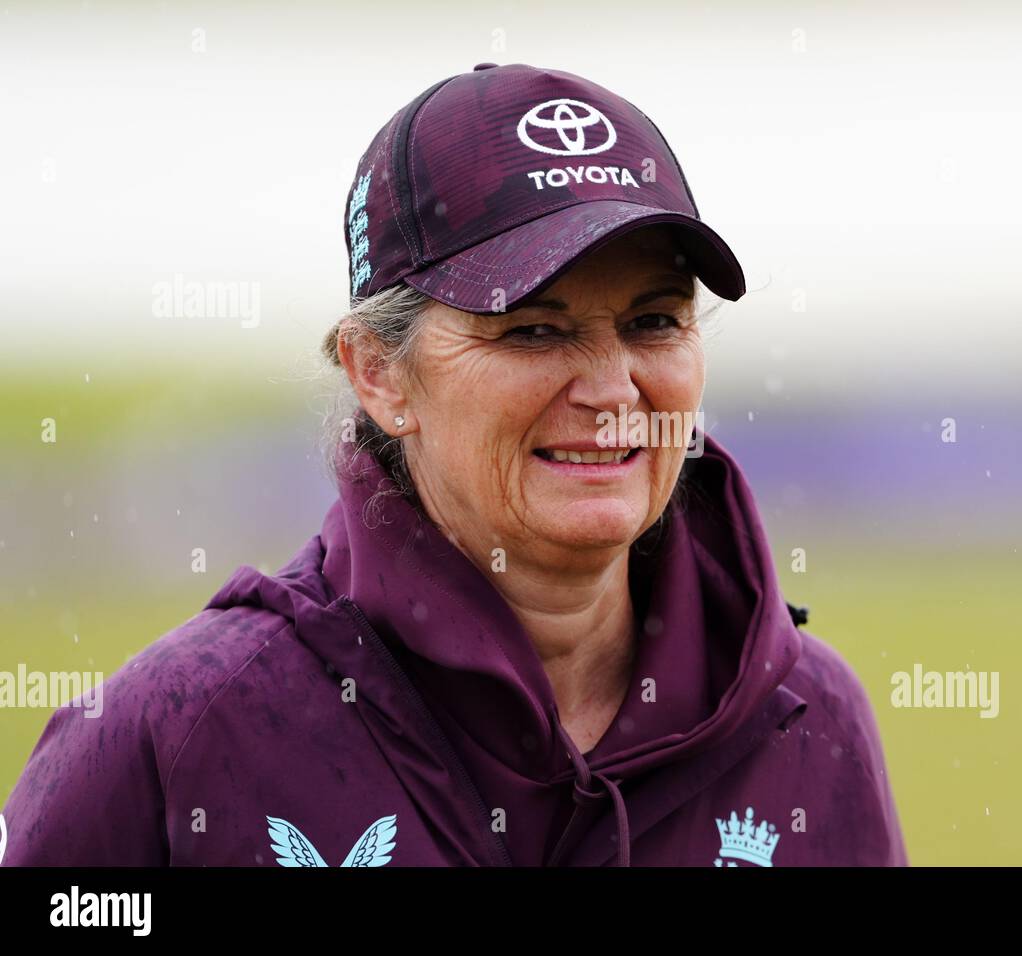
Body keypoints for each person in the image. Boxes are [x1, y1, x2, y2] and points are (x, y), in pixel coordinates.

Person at [1, 62, 906, 867]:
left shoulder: (808, 719)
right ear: (380, 374)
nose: (611, 388)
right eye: (534, 329)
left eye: (654, 321)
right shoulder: (184, 732)